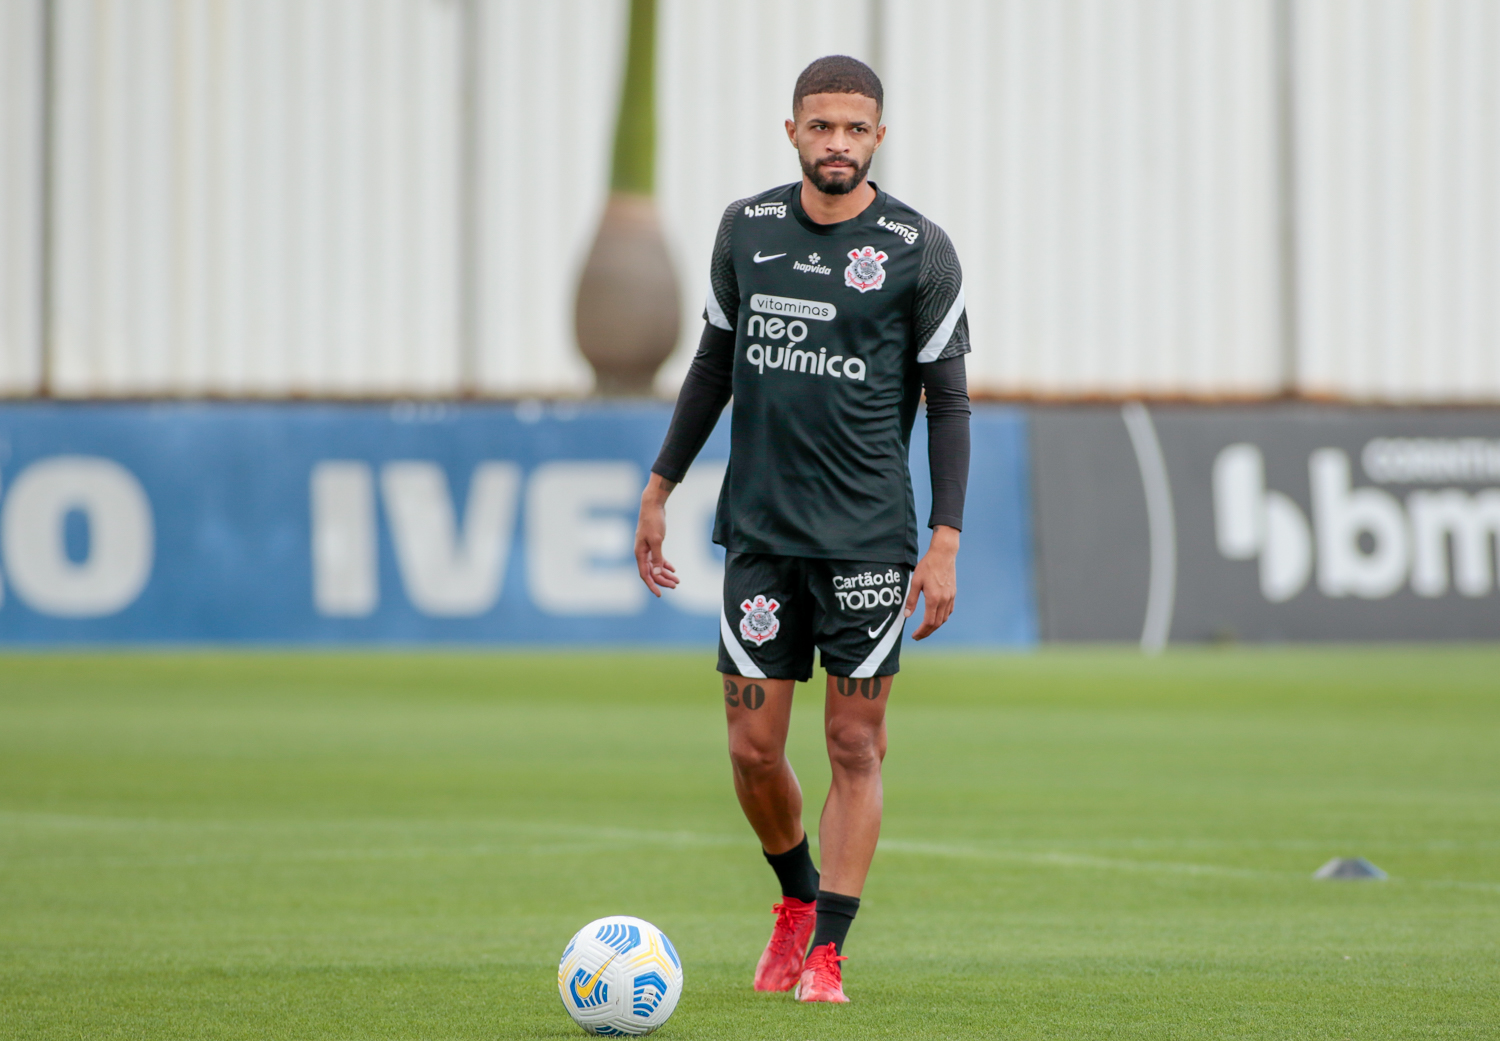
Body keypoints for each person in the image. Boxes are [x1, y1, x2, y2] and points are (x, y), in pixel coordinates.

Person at [633, 54, 971, 1005]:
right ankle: (795, 895)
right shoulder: (745, 229)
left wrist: (943, 540)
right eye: (820, 126)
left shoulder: (919, 248)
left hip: (868, 539)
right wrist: (662, 483)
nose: (836, 143)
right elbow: (711, 365)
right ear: (792, 131)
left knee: (856, 746)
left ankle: (827, 951)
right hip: (762, 535)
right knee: (751, 749)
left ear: (879, 136)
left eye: (854, 128)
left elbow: (950, 405)